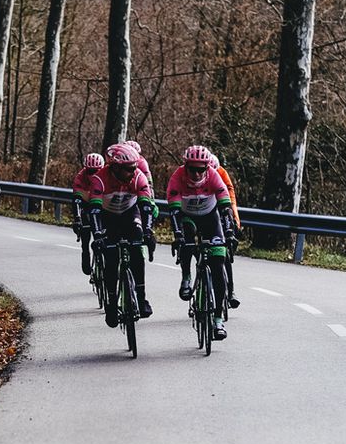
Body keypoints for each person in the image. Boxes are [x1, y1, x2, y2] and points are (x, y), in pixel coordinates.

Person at [167, 145, 235, 340]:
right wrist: (178, 235)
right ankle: (186, 278)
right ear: (186, 166)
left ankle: (218, 320)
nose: (197, 174)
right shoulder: (177, 177)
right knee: (186, 241)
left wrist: (229, 232)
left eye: (201, 169)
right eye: (192, 169)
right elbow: (174, 212)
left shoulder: (214, 176)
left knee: (218, 264)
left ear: (207, 167)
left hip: (210, 217)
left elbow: (225, 207)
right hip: (187, 216)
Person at [91, 143, 156, 327]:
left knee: (137, 252)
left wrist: (148, 231)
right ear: (115, 167)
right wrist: (98, 235)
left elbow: (146, 206)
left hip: (129, 214)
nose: (133, 171)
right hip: (107, 217)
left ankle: (141, 298)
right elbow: (94, 210)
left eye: (134, 167)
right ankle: (112, 303)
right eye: (128, 168)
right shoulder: (99, 179)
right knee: (111, 260)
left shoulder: (138, 177)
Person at [210, 152, 241, 308]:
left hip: (221, 207)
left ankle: (231, 291)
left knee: (225, 253)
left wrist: (234, 223)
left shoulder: (222, 174)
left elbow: (231, 201)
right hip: (203, 209)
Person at [71, 153, 105, 275]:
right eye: (90, 171)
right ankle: (85, 252)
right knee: (85, 233)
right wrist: (77, 218)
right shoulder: (80, 177)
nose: (93, 174)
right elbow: (76, 200)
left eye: (96, 171)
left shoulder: (107, 175)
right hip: (86, 205)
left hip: (101, 205)